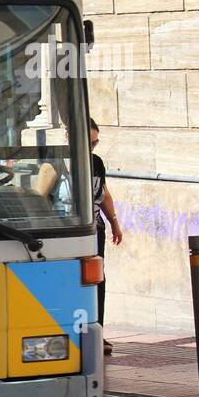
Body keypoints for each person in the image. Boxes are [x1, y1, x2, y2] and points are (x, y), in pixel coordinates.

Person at [90, 119, 123, 354]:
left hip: (95, 229)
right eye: (89, 142)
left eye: (95, 142)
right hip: (70, 230)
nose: (92, 147)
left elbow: (104, 194)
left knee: (98, 280)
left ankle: (97, 333)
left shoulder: (96, 162)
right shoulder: (62, 163)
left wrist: (114, 222)